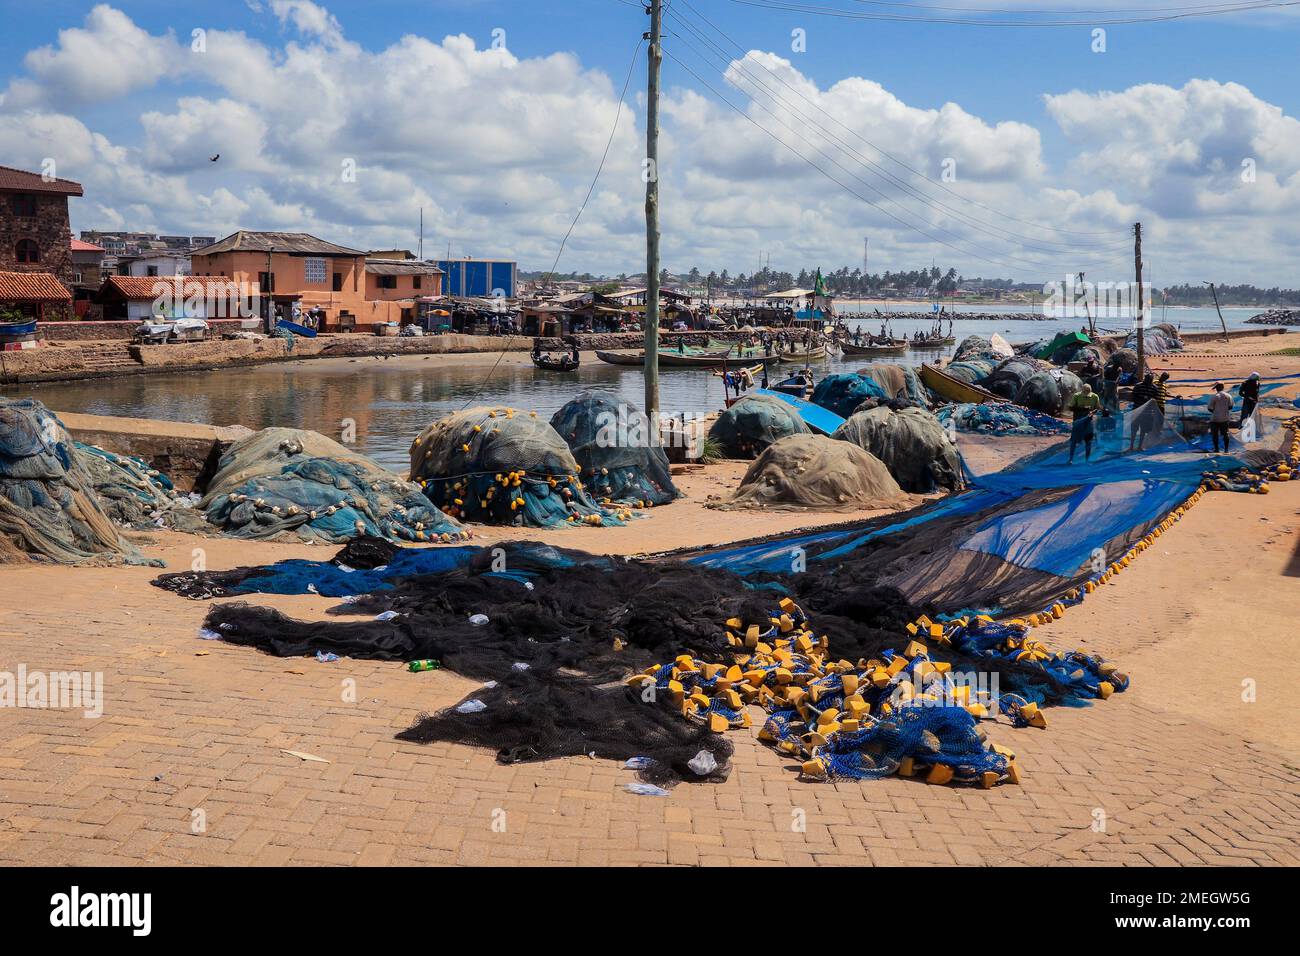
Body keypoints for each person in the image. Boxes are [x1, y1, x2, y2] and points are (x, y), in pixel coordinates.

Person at [1068, 384, 1101, 463]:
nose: (1086, 396)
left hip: (1088, 421)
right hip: (1078, 421)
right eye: (1085, 394)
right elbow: (1070, 407)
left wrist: (1093, 411)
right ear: (1082, 391)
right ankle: (1071, 459)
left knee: (1088, 440)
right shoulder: (1076, 396)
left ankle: (1087, 459)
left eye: (1088, 394)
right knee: (1074, 440)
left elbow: (1097, 408)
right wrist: (1082, 408)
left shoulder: (1095, 397)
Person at [1128, 372, 1161, 451]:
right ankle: (1131, 446)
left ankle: (1140, 446)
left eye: (1149, 380)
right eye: (1146, 379)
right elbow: (1133, 397)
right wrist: (1143, 400)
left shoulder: (1154, 388)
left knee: (1143, 429)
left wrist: (1149, 403)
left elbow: (1155, 399)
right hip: (1137, 410)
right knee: (1134, 429)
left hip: (1147, 412)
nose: (1148, 381)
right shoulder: (1138, 386)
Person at [1208, 382, 1232, 453]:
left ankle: (1217, 449)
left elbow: (1209, 408)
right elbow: (1230, 406)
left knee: (1215, 434)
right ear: (1223, 388)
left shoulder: (1214, 397)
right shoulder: (1228, 396)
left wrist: (1216, 412)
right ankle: (1226, 450)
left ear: (1216, 388)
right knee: (1226, 433)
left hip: (1215, 419)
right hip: (1225, 418)